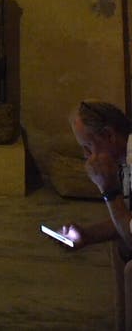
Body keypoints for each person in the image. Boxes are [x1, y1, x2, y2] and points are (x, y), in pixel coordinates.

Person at [61, 99, 132, 255]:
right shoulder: (124, 161)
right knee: (120, 247)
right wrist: (87, 236)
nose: (87, 156)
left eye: (88, 146)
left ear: (108, 135)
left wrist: (109, 191)